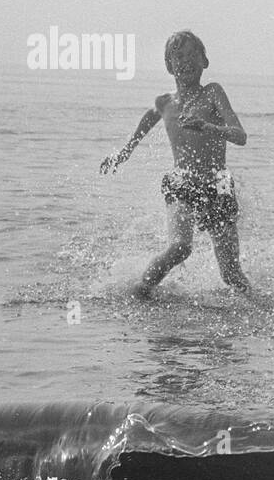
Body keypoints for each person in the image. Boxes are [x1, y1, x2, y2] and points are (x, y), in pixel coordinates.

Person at [100, 30, 251, 297]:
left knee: (230, 273)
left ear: (205, 62)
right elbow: (148, 120)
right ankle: (139, 291)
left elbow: (240, 136)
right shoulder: (165, 102)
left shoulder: (213, 93)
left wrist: (207, 126)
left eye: (193, 55)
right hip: (181, 182)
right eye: (178, 56)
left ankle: (256, 303)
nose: (186, 61)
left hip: (218, 186)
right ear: (169, 66)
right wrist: (121, 154)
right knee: (180, 246)